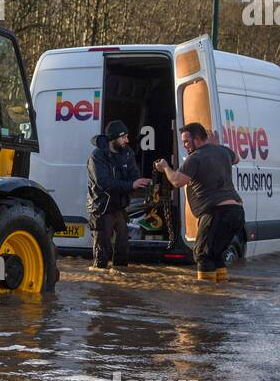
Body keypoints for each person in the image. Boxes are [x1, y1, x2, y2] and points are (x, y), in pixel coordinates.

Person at [154, 121, 243, 282]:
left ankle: (205, 298)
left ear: (198, 139)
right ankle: (221, 295)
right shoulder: (222, 151)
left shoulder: (195, 158)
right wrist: (215, 147)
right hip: (236, 213)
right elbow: (237, 158)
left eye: (187, 141)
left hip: (216, 213)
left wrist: (166, 167)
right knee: (216, 255)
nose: (185, 146)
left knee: (202, 255)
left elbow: (177, 181)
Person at [86, 120, 151, 272]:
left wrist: (139, 184)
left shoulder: (127, 152)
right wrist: (130, 185)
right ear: (113, 138)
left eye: (127, 137)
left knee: (123, 249)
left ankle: (121, 286)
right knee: (102, 253)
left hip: (119, 207)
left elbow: (134, 175)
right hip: (101, 208)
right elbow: (104, 183)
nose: (127, 140)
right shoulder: (97, 156)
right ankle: (100, 286)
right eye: (123, 137)